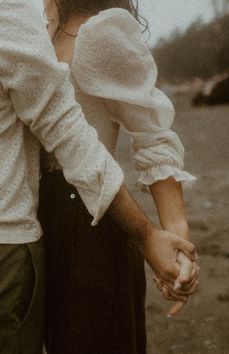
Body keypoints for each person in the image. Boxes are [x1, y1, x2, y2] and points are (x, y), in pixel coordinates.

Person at [0, 1, 198, 353]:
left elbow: (152, 134)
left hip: (93, 220)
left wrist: (175, 239)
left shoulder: (99, 30)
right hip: (39, 219)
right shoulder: (37, 26)